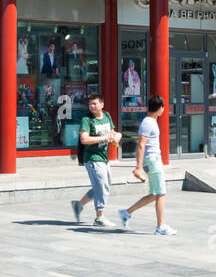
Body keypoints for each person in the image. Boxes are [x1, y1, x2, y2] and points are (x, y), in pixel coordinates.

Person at [119, 95, 175, 235]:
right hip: (152, 160)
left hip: (153, 160)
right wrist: (138, 167)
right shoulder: (149, 122)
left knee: (155, 194)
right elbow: (141, 144)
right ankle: (160, 227)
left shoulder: (150, 121)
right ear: (161, 108)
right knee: (161, 193)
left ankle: (126, 212)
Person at [71, 94, 122, 227]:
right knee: (102, 186)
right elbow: (84, 139)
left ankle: (79, 205)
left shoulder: (107, 116)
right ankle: (99, 217)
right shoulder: (87, 120)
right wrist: (105, 137)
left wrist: (117, 136)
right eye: (90, 104)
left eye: (95, 103)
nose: (92, 106)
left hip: (104, 158)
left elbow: (112, 132)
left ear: (102, 104)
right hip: (92, 159)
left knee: (102, 186)